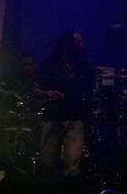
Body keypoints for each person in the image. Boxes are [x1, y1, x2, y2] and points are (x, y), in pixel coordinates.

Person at [39, 30, 94, 177]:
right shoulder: (51, 65)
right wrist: (47, 93)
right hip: (53, 117)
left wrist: (87, 118)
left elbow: (89, 93)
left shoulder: (85, 67)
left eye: (81, 42)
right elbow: (34, 86)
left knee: (72, 166)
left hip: (75, 118)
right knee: (47, 163)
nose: (81, 45)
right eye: (77, 42)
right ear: (66, 45)